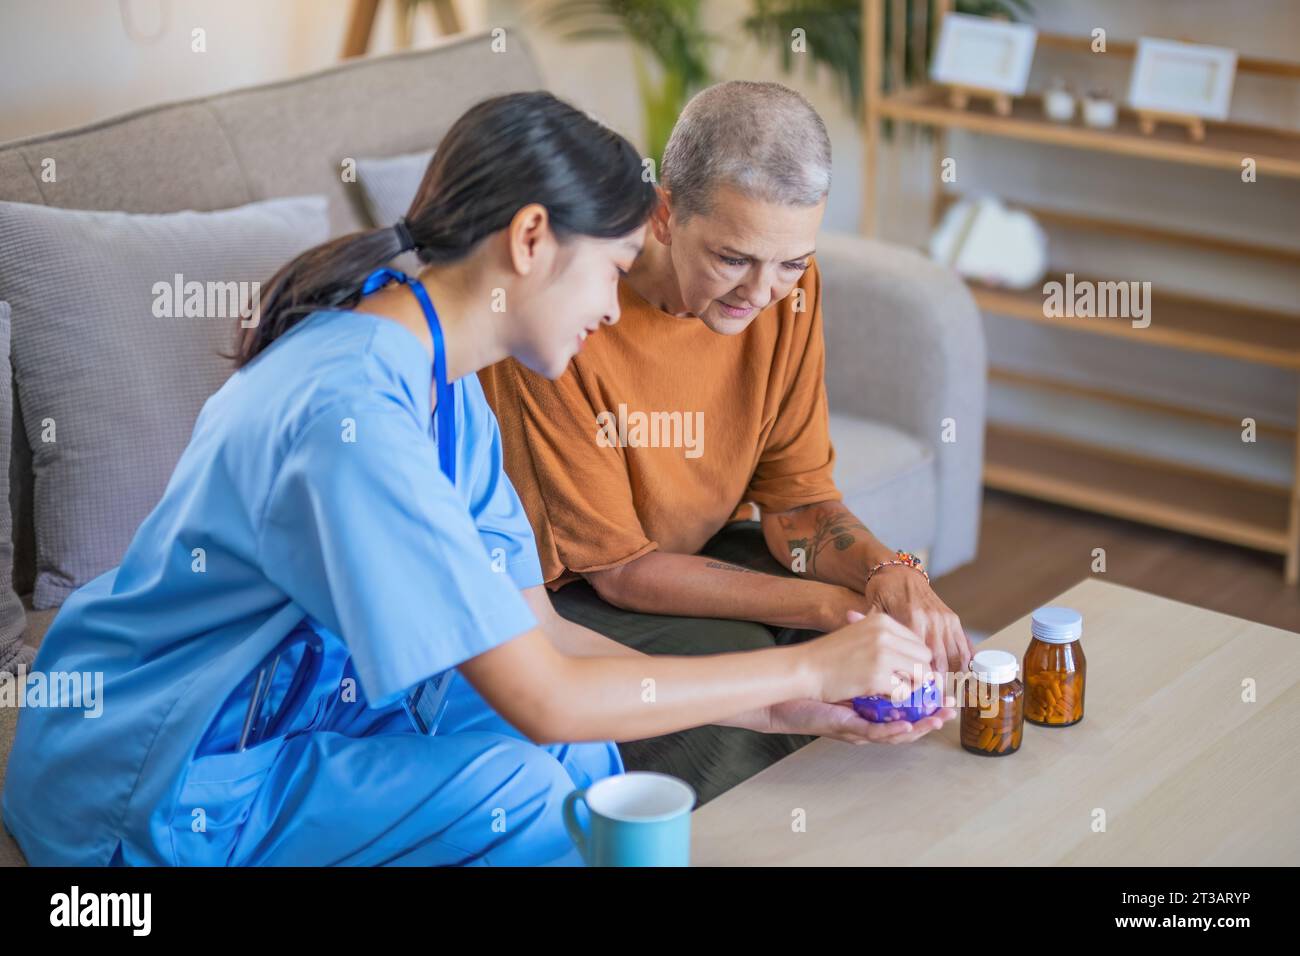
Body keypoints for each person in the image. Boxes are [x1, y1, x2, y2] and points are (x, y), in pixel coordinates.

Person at [2, 91, 950, 867]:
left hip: (307, 711)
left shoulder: (446, 392)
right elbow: (541, 693)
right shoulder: (353, 417)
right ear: (532, 240)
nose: (610, 312)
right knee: (523, 787)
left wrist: (793, 703)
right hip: (151, 774)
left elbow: (545, 639)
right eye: (613, 270)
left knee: (579, 754)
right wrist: (808, 659)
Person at [479, 81, 973, 802]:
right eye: (734, 258)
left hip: (704, 555)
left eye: (792, 262)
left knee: (883, 650)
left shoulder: (789, 293)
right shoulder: (565, 315)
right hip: (583, 592)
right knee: (743, 672)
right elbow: (619, 571)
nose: (763, 292)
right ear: (666, 211)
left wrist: (884, 575)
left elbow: (799, 501)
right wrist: (835, 613)